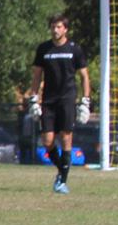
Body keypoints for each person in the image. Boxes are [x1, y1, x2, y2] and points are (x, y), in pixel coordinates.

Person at [29, 13, 91, 194]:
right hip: (48, 99)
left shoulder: (75, 49)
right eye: (53, 27)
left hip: (67, 98)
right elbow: (37, 75)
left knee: (66, 137)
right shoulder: (44, 49)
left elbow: (84, 76)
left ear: (66, 29)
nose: (55, 30)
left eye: (59, 27)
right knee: (47, 140)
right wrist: (34, 98)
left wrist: (85, 101)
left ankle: (62, 181)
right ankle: (61, 170)